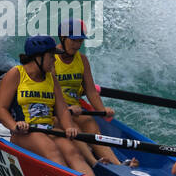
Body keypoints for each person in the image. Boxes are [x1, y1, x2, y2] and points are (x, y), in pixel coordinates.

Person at [0, 35, 95, 176]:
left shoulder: (51, 78)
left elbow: (62, 110)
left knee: (72, 151)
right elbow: (1, 108)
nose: (55, 60)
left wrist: (68, 127)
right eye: (51, 56)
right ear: (38, 57)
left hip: (48, 129)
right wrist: (14, 125)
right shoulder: (16, 74)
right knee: (51, 149)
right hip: (25, 132)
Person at [54, 18, 136, 167]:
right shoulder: (51, 59)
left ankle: (117, 165)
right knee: (74, 127)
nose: (77, 45)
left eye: (80, 41)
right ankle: (93, 162)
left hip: (75, 109)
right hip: (54, 110)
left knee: (90, 122)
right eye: (73, 40)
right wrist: (66, 110)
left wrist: (102, 110)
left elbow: (91, 91)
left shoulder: (82, 60)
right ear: (63, 37)